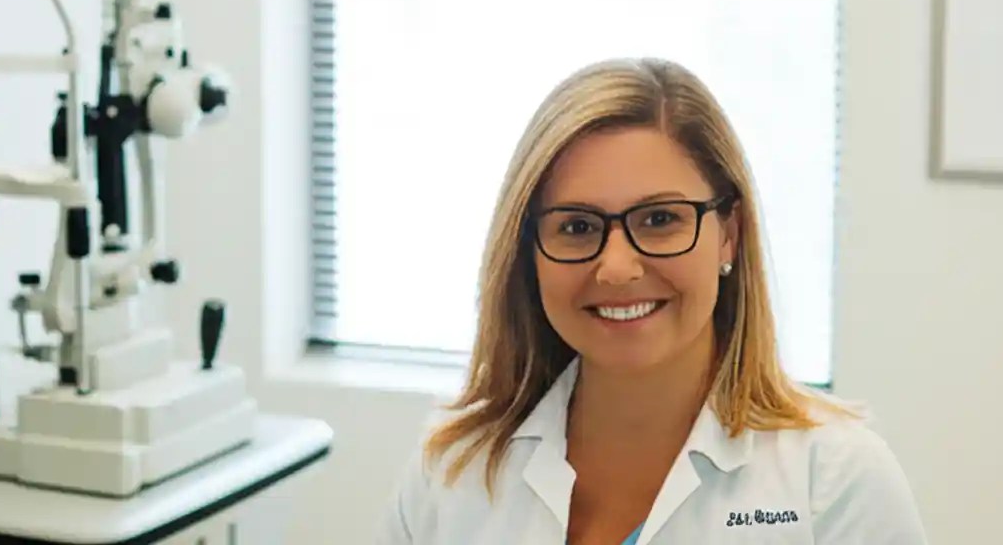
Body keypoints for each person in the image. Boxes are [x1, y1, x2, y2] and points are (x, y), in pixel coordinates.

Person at [377, 57, 928, 544]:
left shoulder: (834, 480)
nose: (616, 268)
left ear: (729, 234)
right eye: (576, 226)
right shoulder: (451, 472)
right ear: (529, 253)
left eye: (660, 219)